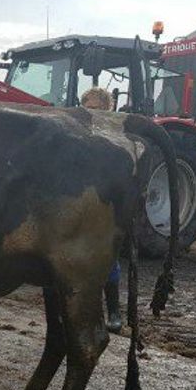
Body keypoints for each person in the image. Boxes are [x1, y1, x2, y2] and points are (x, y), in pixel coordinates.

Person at [80, 85, 123, 332]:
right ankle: (87, 311)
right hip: (82, 204)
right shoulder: (76, 138)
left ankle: (115, 310)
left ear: (108, 109)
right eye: (87, 108)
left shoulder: (116, 141)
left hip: (107, 205)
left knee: (109, 259)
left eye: (96, 108)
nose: (91, 113)